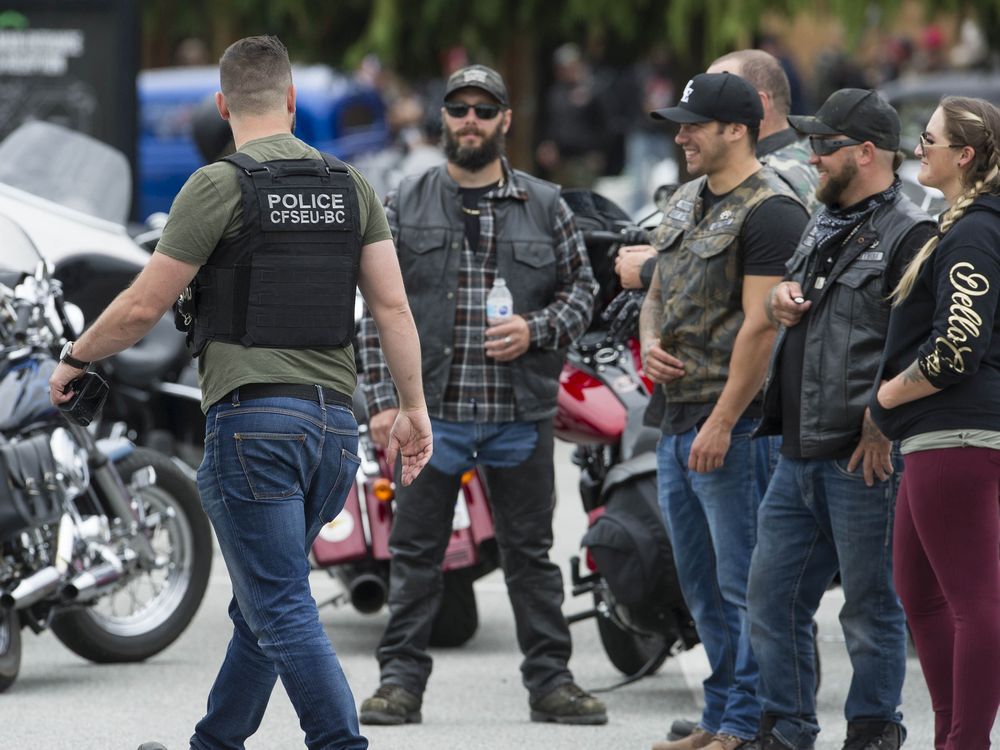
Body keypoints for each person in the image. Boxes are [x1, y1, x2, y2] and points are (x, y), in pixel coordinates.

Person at [48, 35, 433, 750]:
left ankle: (340, 744)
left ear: (224, 105)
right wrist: (413, 410)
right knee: (263, 601)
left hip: (256, 427)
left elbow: (141, 308)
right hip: (332, 436)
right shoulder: (351, 186)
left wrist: (74, 357)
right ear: (289, 101)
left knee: (280, 603)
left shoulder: (219, 184)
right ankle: (216, 743)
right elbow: (393, 310)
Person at [356, 64, 604, 726]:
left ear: (505, 121)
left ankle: (551, 683)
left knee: (530, 557)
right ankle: (399, 686)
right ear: (443, 118)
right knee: (414, 558)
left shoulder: (546, 205)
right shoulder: (404, 201)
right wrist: (382, 399)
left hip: (517, 415)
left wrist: (537, 328)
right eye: (459, 109)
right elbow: (376, 308)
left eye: (484, 110)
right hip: (430, 415)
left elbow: (584, 290)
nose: (471, 120)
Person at [748, 89, 936, 750]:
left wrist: (883, 425)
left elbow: (924, 347)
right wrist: (778, 301)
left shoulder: (913, 232)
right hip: (796, 448)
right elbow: (798, 306)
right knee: (771, 600)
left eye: (825, 145)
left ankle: (875, 730)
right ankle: (787, 729)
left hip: (863, 454)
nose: (812, 155)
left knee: (870, 607)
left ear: (866, 152)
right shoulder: (822, 220)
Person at [640, 72, 809, 750]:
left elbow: (762, 329)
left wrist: (720, 422)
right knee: (701, 587)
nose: (680, 135)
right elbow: (656, 289)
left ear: (736, 128)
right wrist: (649, 341)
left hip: (732, 426)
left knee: (745, 587)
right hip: (675, 419)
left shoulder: (772, 210)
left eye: (693, 125)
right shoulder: (684, 199)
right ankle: (719, 717)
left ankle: (749, 723)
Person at [872, 96, 1000, 750]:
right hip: (939, 436)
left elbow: (957, 348)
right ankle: (952, 731)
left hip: (956, 434)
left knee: (974, 601)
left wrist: (887, 396)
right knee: (916, 590)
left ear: (965, 154)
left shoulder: (976, 229)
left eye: (927, 137)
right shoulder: (959, 224)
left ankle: (965, 742)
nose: (917, 147)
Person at [615, 48, 818, 292]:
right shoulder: (807, 154)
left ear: (759, 105)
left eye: (723, 86)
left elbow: (757, 271)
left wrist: (652, 270)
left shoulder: (776, 180)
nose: (681, 137)